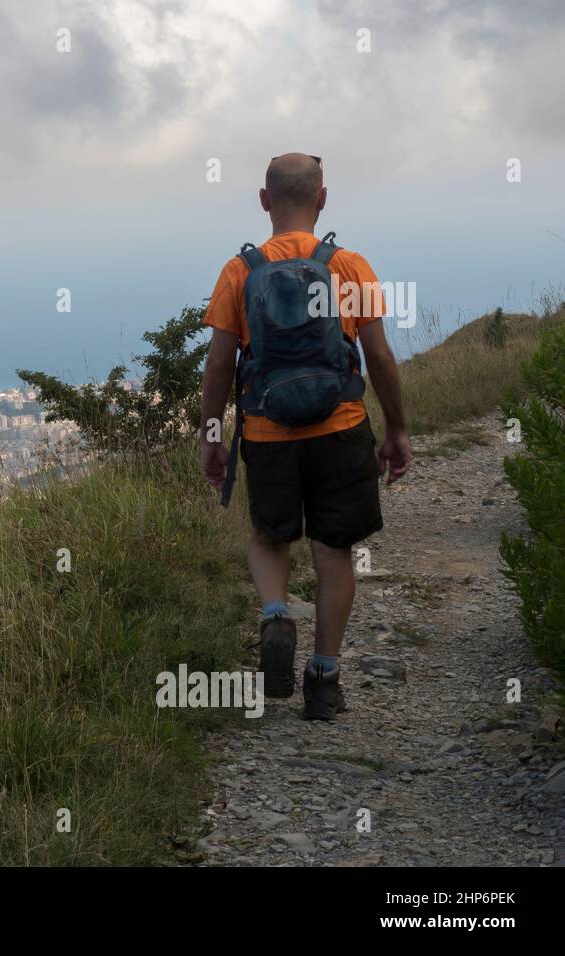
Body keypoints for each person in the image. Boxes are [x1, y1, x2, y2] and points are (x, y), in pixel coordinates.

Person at [198, 153, 412, 721]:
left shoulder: (239, 272)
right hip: (340, 428)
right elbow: (380, 357)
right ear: (322, 198)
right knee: (333, 552)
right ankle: (323, 679)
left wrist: (211, 436)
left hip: (269, 431)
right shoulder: (349, 266)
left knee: (270, 538)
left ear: (264, 200)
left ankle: (274, 615)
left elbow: (219, 365)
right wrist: (397, 427)